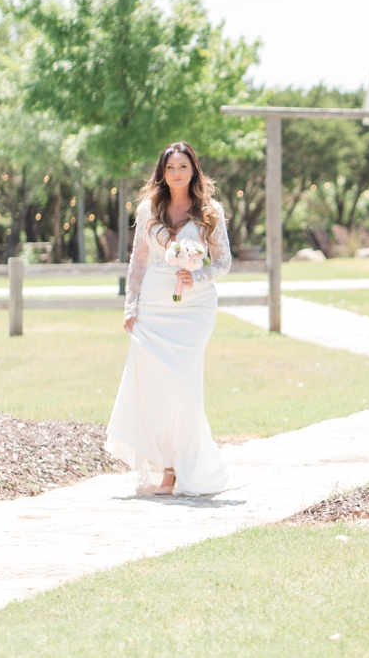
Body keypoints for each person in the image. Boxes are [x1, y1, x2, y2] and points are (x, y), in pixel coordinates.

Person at [106, 141, 232, 496]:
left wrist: (199, 275)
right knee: (157, 387)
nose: (177, 173)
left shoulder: (211, 210)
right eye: (171, 167)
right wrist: (131, 306)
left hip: (195, 308)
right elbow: (139, 261)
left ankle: (189, 464)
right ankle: (168, 465)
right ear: (162, 172)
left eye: (184, 166)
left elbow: (223, 262)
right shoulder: (149, 208)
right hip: (155, 304)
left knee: (182, 380)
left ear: (194, 170)